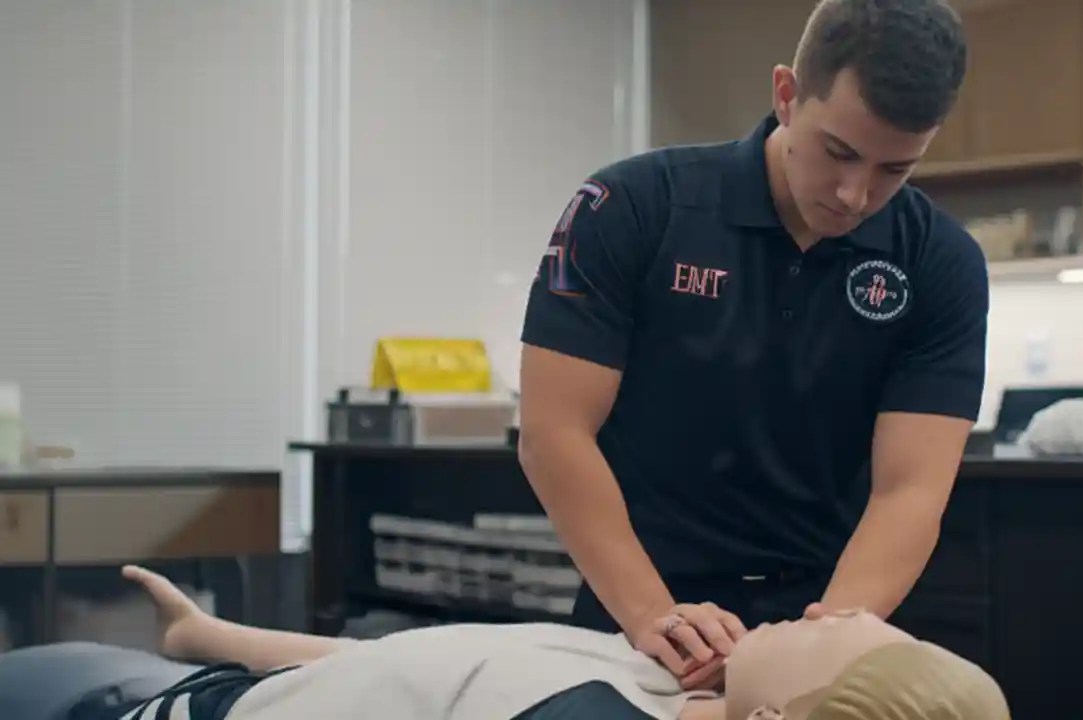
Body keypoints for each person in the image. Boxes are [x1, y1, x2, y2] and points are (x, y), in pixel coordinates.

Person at [517, 0, 988, 684]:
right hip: (637, 608)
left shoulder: (940, 263)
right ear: (787, 95)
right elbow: (553, 432)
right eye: (840, 153)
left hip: (827, 608)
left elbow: (910, 492)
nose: (856, 195)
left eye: (895, 170)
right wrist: (656, 618)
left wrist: (818, 649)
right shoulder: (634, 207)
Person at [0, 566, 1009, 720]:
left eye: (859, 636)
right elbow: (423, 676)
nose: (837, 608)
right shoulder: (670, 684)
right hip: (225, 673)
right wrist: (213, 631)